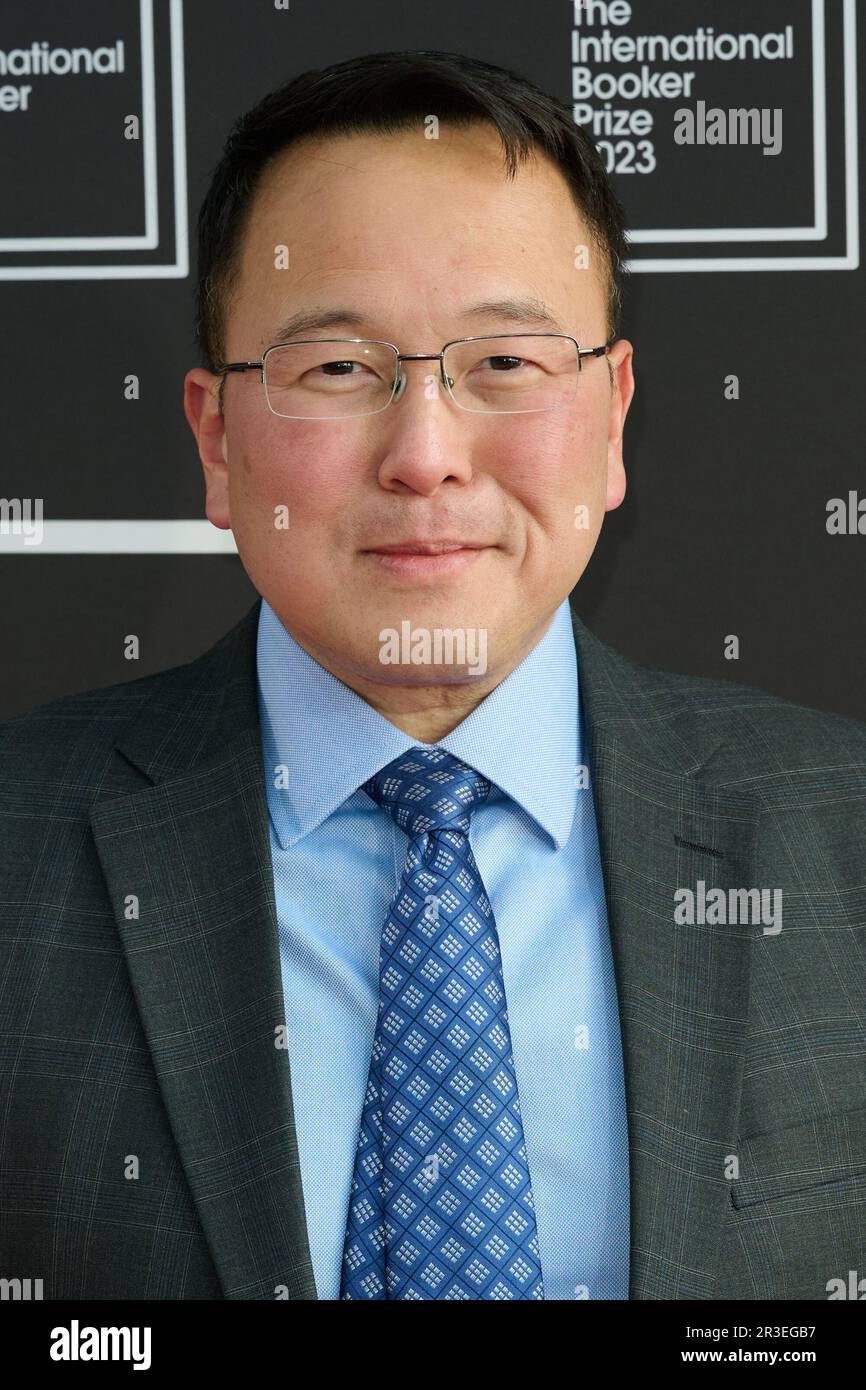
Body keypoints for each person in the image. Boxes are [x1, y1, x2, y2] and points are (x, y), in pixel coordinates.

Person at [2, 50, 865, 1303]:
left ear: (612, 417)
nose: (424, 454)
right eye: (338, 369)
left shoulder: (843, 832)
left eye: (505, 363)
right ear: (216, 440)